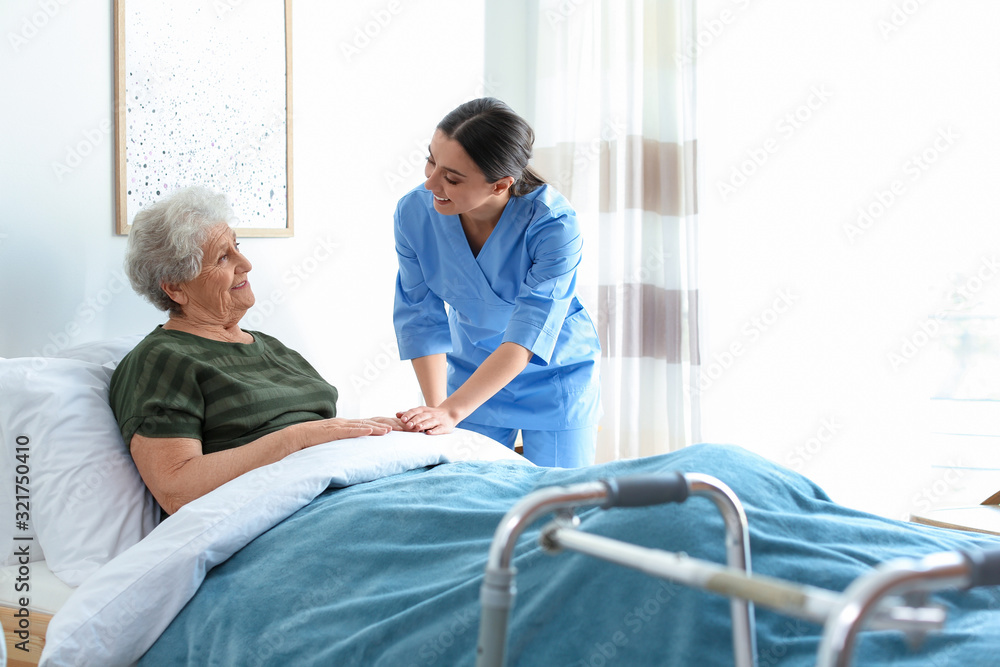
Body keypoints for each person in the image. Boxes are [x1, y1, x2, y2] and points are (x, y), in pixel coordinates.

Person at [110, 186, 400, 515]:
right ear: (176, 287)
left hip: (352, 487)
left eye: (237, 246)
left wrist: (378, 429)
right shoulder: (162, 360)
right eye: (223, 257)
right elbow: (178, 490)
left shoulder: (273, 348)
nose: (245, 263)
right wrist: (296, 440)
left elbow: (320, 430)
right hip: (290, 516)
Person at [392, 98, 601, 467]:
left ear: (500, 184)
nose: (430, 182)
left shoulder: (554, 225)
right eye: (431, 160)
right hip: (472, 372)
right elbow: (420, 317)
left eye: (452, 178)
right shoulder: (414, 213)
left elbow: (528, 333)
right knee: (468, 495)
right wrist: (439, 410)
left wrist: (452, 412)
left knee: (558, 502)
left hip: (555, 376)